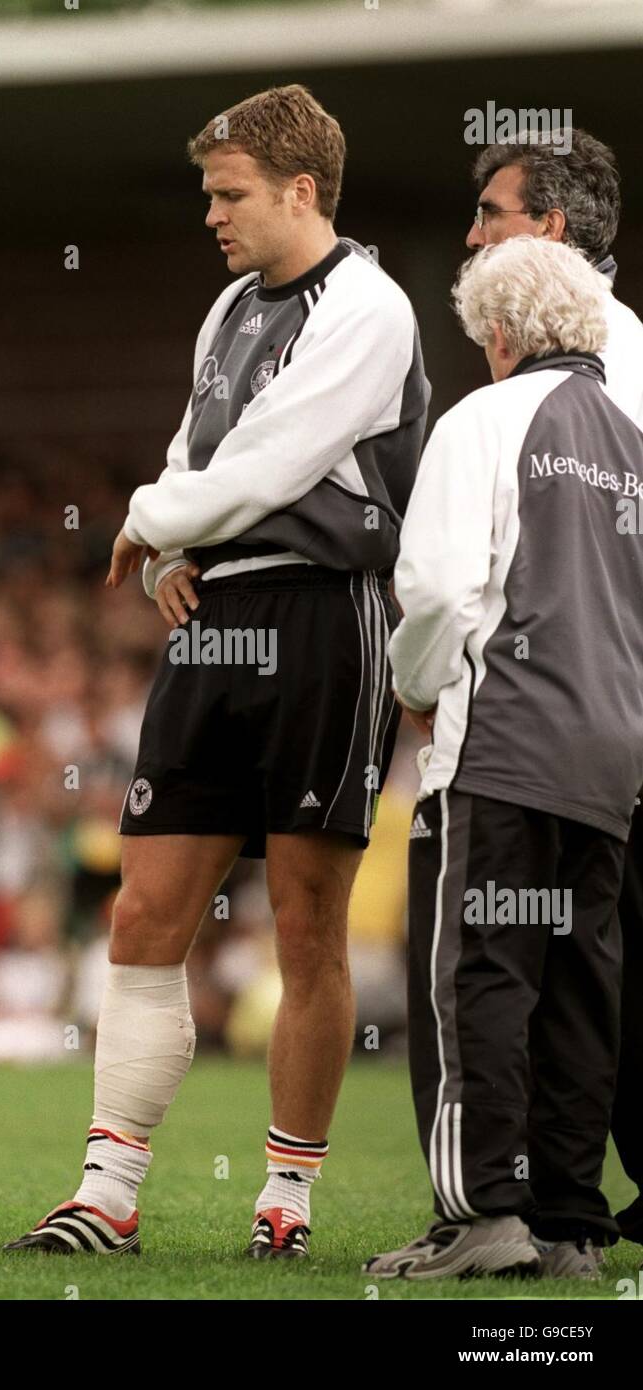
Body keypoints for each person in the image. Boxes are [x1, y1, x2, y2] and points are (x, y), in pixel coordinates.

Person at [4, 83, 428, 1259]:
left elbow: (275, 457)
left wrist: (152, 518)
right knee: (144, 911)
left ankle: (285, 1202)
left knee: (306, 925)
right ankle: (107, 1192)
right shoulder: (231, 307)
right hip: (219, 616)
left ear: (303, 191)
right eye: (207, 193)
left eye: (229, 193)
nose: (212, 214)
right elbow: (201, 453)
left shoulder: (371, 305)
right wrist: (164, 560)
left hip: (325, 618)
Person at [365, 236, 643, 1281]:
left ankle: (483, 1210)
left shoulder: (481, 418)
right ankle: (571, 1220)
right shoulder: (631, 439)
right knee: (580, 986)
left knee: (480, 977)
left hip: (505, 747)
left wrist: (417, 685)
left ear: (496, 333)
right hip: (610, 758)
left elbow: (434, 589)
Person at [466, 127, 643, 1247]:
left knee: (517, 969)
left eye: (490, 211)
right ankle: (562, 1211)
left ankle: (507, 1207)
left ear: (551, 229)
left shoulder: (590, 365)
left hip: (556, 722)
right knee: (585, 970)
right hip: (607, 720)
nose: (473, 232)